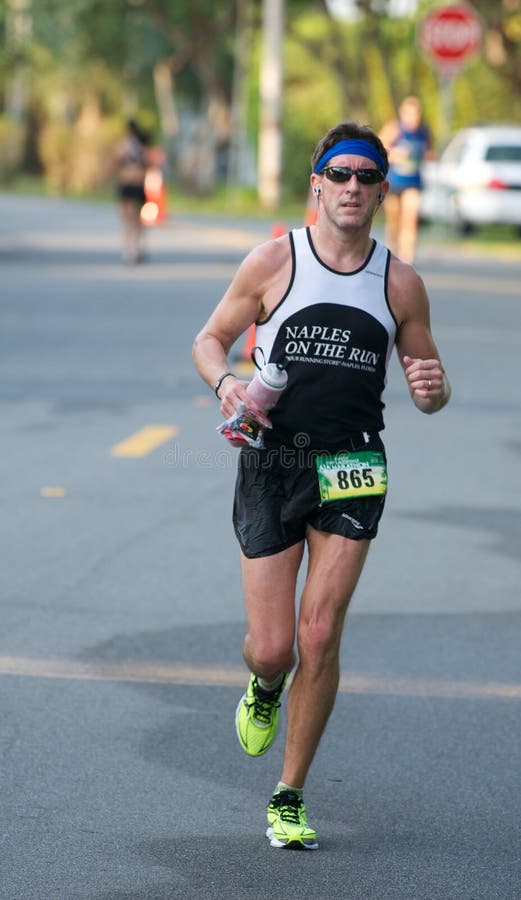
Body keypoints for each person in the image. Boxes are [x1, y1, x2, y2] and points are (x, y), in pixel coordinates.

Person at [192, 120, 451, 851]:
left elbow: (427, 387)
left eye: (366, 177)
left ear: (381, 189)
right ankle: (265, 685)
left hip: (352, 463)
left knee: (320, 633)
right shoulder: (273, 262)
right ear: (316, 181)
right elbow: (207, 339)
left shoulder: (399, 282)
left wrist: (433, 391)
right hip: (272, 462)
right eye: (338, 174)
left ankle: (288, 794)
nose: (351, 188)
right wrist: (226, 384)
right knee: (274, 647)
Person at [379, 96, 433, 264]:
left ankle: (407, 258)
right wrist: (396, 154)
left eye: (416, 113)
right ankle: (391, 251)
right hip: (394, 182)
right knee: (394, 219)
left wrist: (423, 156)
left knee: (411, 217)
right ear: (402, 113)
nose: (413, 117)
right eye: (409, 113)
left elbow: (431, 153)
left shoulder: (424, 132)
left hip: (413, 182)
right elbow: (379, 149)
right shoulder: (394, 129)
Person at [114, 119, 150, 264]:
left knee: (127, 219)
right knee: (136, 219)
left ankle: (129, 249)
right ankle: (134, 248)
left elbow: (116, 162)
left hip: (128, 184)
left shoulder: (124, 146)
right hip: (137, 184)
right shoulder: (142, 146)